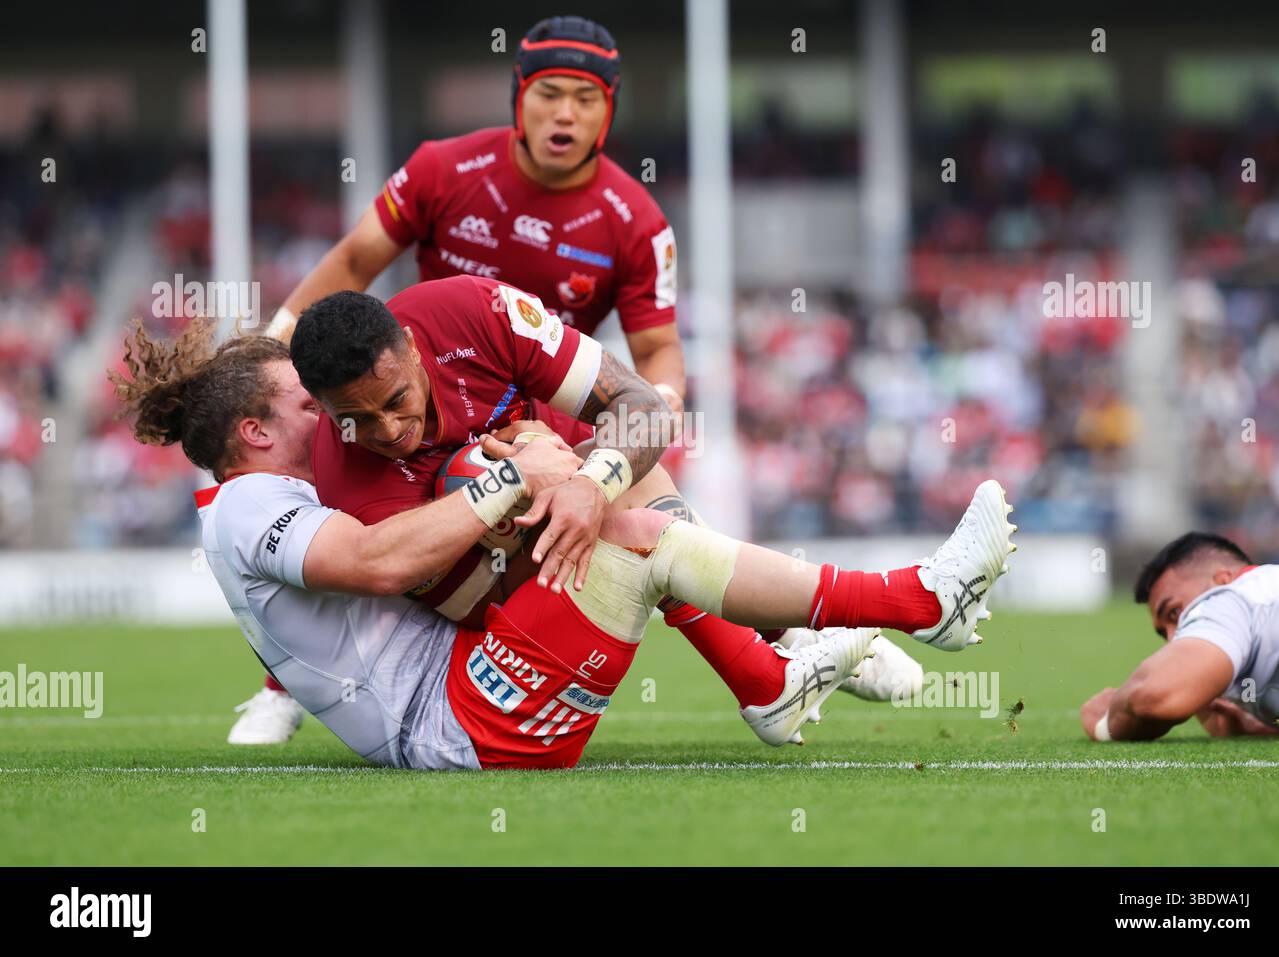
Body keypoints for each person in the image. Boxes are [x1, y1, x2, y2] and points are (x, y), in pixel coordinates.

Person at [110, 320, 1018, 768]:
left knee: (609, 480)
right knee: (629, 536)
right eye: (310, 404)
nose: (335, 415)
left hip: (469, 677)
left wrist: (543, 463)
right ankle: (920, 599)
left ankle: (771, 678)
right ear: (256, 434)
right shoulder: (243, 509)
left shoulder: (284, 486)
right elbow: (382, 561)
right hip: (460, 722)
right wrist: (522, 477)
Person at [233, 15, 687, 741]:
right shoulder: (443, 169)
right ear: (518, 96)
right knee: (329, 503)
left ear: (610, 108)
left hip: (541, 412)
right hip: (423, 404)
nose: (564, 113)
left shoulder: (636, 219)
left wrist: (659, 412)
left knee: (662, 517)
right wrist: (271, 349)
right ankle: (284, 676)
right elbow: (352, 266)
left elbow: (659, 348)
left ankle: (784, 652)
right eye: (548, 94)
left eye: (585, 97)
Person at [1081, 532, 1279, 741]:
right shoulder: (1276, 595)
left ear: (1223, 580)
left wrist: (1106, 721)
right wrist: (1251, 726)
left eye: (1174, 612)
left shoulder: (1230, 598)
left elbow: (1153, 697)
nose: (1174, 637)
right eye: (1163, 633)